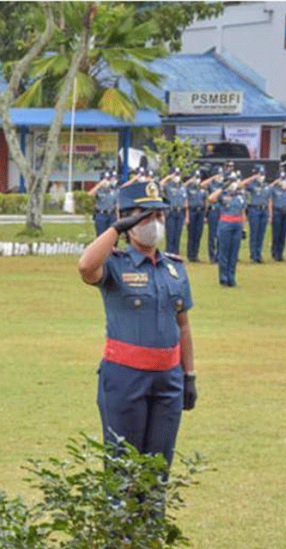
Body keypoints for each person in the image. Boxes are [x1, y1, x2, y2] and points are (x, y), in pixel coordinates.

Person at [76, 179, 196, 473]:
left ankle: (153, 508)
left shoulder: (174, 268)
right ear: (127, 220)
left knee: (158, 468)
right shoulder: (115, 264)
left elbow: (183, 325)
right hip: (125, 377)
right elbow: (86, 267)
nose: (154, 223)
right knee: (123, 468)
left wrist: (189, 374)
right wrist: (116, 230)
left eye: (159, 215)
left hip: (168, 378)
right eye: (145, 216)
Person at [209, 172, 251, 287]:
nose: (233, 184)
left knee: (234, 253)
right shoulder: (223, 195)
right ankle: (223, 278)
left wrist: (244, 228)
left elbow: (243, 212)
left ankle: (231, 278)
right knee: (224, 252)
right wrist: (222, 188)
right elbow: (211, 198)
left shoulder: (241, 196)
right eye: (231, 181)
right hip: (225, 224)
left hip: (237, 225)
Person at [245, 164, 271, 263]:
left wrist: (270, 214)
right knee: (254, 233)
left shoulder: (266, 185)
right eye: (259, 174)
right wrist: (253, 178)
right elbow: (242, 185)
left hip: (264, 210)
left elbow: (269, 200)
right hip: (254, 209)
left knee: (261, 233)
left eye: (262, 174)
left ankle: (259, 254)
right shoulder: (252, 184)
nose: (261, 176)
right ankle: (253, 255)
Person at [160, 168, 187, 255]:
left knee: (178, 234)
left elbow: (185, 200)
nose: (177, 176)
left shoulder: (182, 186)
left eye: (178, 174)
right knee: (170, 235)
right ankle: (169, 253)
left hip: (180, 212)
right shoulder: (168, 186)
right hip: (171, 212)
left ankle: (176, 253)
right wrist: (168, 177)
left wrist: (186, 215)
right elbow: (158, 186)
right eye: (175, 174)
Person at [203, 167, 225, 263]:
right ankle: (212, 256)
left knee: (221, 234)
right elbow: (202, 185)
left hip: (222, 210)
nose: (221, 176)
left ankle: (219, 255)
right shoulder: (211, 185)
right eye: (219, 174)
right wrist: (212, 178)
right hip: (213, 210)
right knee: (212, 235)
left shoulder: (223, 185)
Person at [184, 170, 207, 262]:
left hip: (200, 212)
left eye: (198, 177)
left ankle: (195, 254)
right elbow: (185, 198)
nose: (197, 179)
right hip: (192, 211)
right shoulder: (188, 188)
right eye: (196, 177)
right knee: (191, 234)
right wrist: (187, 216)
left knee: (198, 234)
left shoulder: (202, 189)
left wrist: (205, 215)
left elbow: (205, 202)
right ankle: (190, 255)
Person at [270, 172, 286, 262]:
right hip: (277, 211)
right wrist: (275, 182)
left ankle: (280, 253)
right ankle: (275, 253)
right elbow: (269, 193)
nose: (282, 180)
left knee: (283, 233)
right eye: (281, 178)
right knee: (276, 233)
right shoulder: (274, 189)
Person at [89, 172, 115, 237]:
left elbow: (116, 204)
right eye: (106, 179)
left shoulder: (113, 190)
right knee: (101, 236)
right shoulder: (98, 190)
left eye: (108, 179)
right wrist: (99, 185)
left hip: (111, 215)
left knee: (112, 236)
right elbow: (89, 194)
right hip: (101, 215)